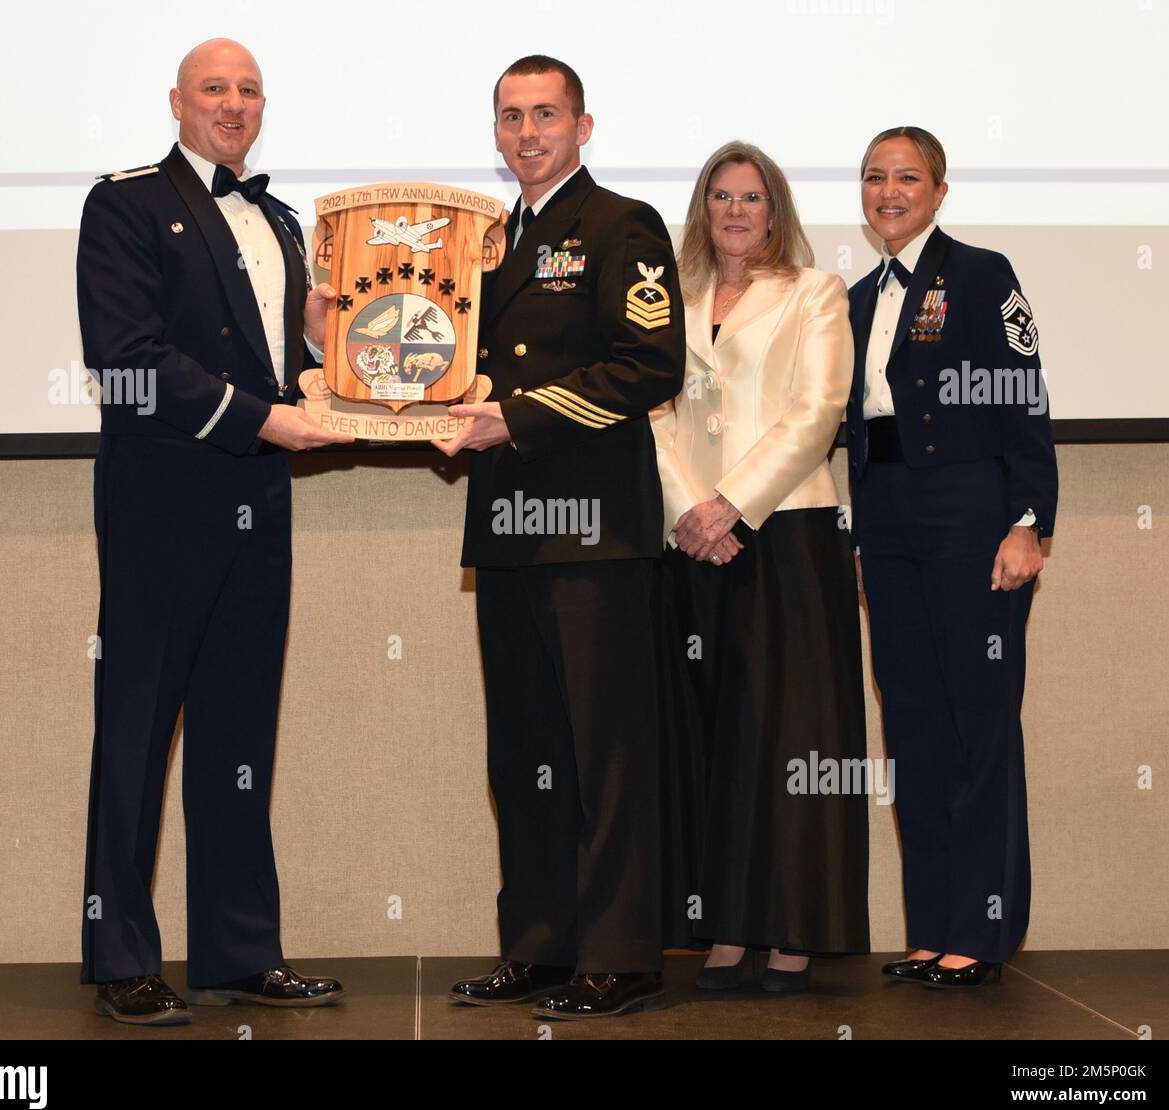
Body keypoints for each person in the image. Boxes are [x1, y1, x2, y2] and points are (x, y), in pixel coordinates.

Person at [75, 38, 352, 1025]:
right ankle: (121, 959)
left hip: (259, 505)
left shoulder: (277, 218)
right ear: (177, 102)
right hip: (162, 502)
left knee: (240, 731)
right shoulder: (126, 202)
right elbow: (127, 361)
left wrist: (332, 343)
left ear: (261, 106)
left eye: (246, 90)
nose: (231, 105)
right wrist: (267, 417)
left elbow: (284, 356)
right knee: (137, 730)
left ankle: (237, 950)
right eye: (213, 89)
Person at [434, 55, 685, 1020]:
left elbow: (648, 364)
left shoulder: (622, 225)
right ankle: (539, 946)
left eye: (546, 114)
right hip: (506, 527)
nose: (527, 131)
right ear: (495, 133)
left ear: (583, 126)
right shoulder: (487, 241)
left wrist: (520, 418)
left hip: (592, 531)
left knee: (606, 751)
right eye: (510, 117)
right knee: (525, 749)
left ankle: (620, 953)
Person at [652, 141, 869, 993]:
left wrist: (732, 502)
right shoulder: (668, 297)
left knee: (794, 742)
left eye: (751, 198)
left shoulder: (814, 293)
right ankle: (725, 924)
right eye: (720, 197)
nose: (735, 212)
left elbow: (819, 412)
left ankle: (795, 927)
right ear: (703, 209)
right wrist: (690, 508)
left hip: (786, 530)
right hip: (689, 537)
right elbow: (650, 412)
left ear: (775, 211)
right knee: (712, 734)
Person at [846, 126, 1057, 988]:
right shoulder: (856, 295)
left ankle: (984, 928)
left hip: (973, 516)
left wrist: (1027, 518)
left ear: (939, 189)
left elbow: (1023, 394)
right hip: (888, 520)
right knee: (915, 727)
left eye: (906, 177)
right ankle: (934, 926)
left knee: (979, 724)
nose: (888, 191)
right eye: (873, 177)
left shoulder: (980, 273)